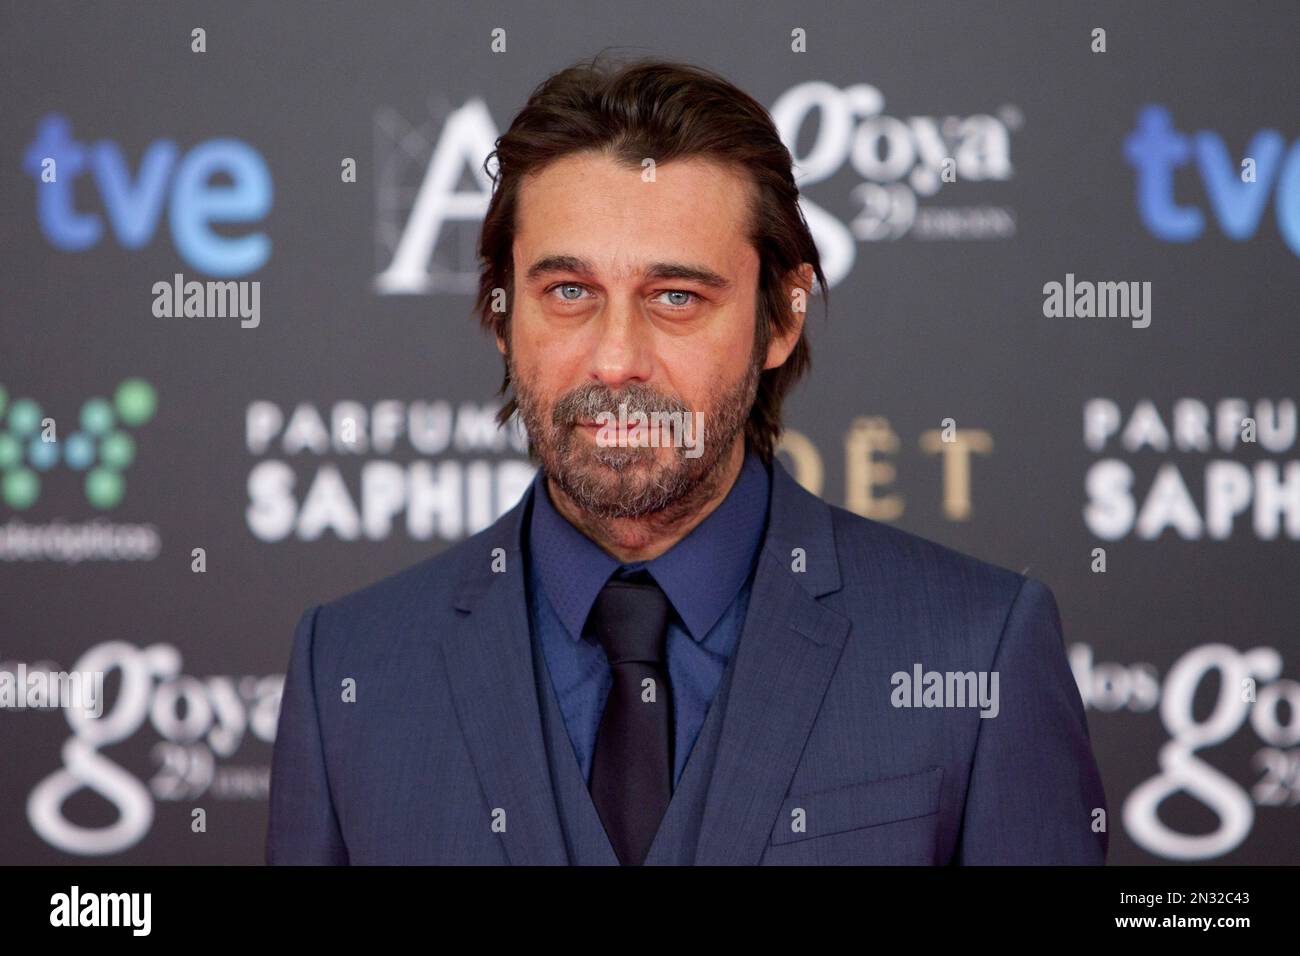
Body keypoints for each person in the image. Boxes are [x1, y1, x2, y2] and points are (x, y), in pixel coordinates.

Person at [266, 54, 1108, 865]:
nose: (616, 359)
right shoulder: (348, 671)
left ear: (780, 319)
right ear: (500, 315)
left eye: (676, 297)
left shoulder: (977, 649)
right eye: (568, 293)